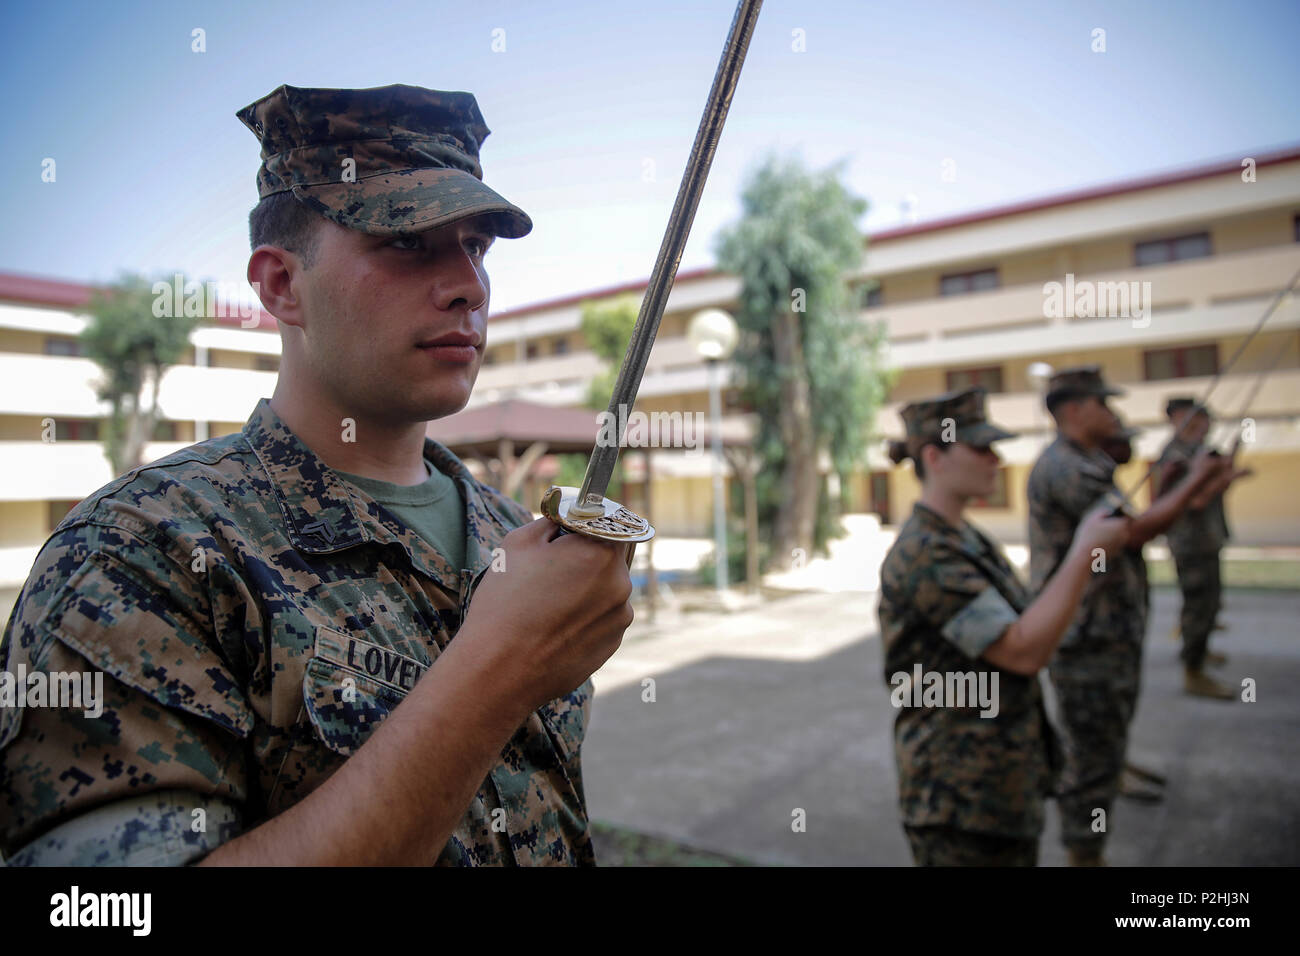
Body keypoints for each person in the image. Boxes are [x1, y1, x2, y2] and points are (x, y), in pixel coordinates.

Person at [0, 84, 635, 866]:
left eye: (477, 245)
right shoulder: (140, 554)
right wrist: (495, 674)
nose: (469, 285)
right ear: (279, 285)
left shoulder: (514, 537)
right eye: (409, 243)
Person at [878, 387, 1129, 866]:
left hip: (997, 787)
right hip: (957, 799)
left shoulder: (964, 537)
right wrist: (1084, 553)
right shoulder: (926, 553)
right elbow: (1021, 650)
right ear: (936, 456)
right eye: (980, 448)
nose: (996, 460)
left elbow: (1025, 623)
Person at [1026, 366, 1226, 866]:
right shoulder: (1066, 468)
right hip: (1086, 634)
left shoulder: (1088, 461)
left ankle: (1113, 772)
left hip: (1107, 628)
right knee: (1089, 756)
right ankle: (1084, 854)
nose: (1114, 414)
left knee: (1106, 734)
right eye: (1102, 404)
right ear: (1073, 409)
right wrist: (1196, 479)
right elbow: (1133, 533)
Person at [1153, 398, 1253, 697]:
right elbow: (1193, 501)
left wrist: (1231, 459)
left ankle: (1199, 653)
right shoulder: (1177, 456)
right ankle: (1193, 671)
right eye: (1198, 420)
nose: (1206, 426)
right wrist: (1224, 479)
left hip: (1206, 539)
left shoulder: (1196, 452)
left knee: (1209, 603)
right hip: (1191, 542)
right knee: (1198, 604)